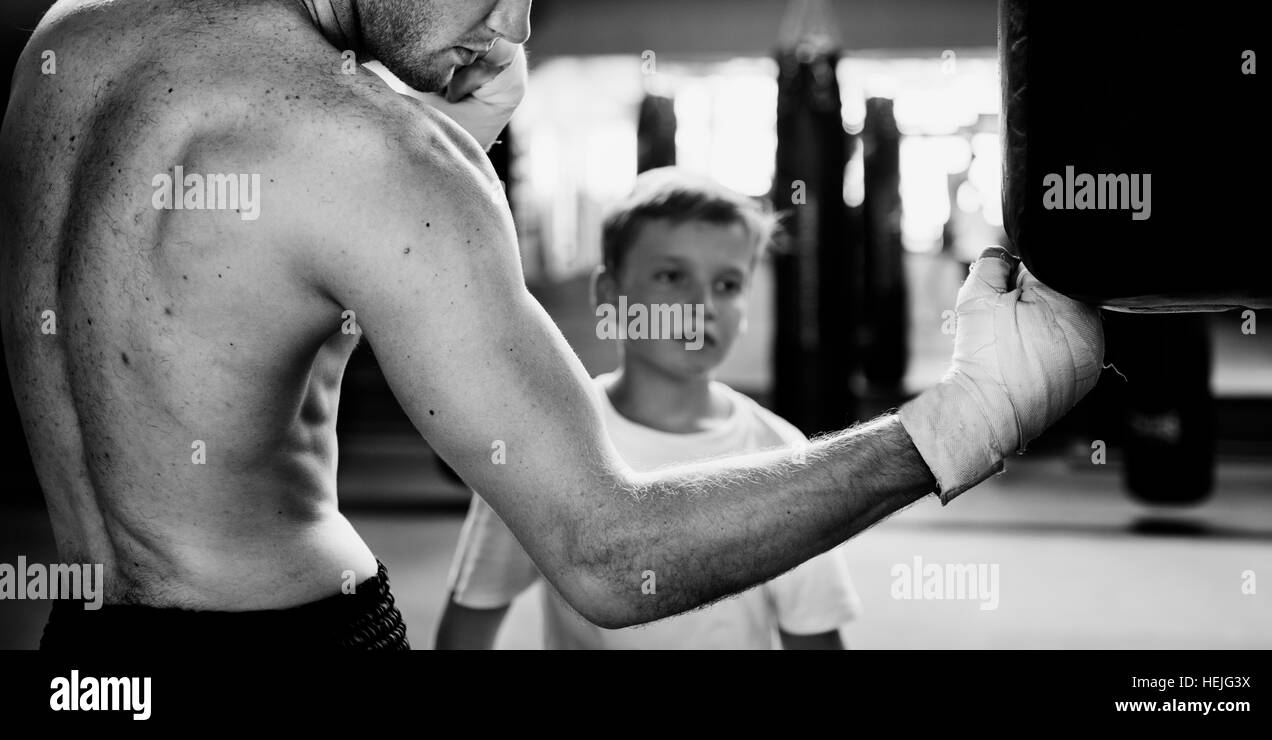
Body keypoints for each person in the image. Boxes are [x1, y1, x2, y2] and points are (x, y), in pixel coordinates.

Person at [0, 0, 1104, 650]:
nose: (515, 23)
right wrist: (961, 421)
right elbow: (608, 554)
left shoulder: (69, 36)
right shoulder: (374, 148)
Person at [437, 169, 862, 649]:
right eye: (671, 276)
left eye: (726, 284)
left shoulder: (782, 455)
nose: (701, 304)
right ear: (608, 295)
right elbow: (469, 626)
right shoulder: (545, 449)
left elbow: (814, 638)